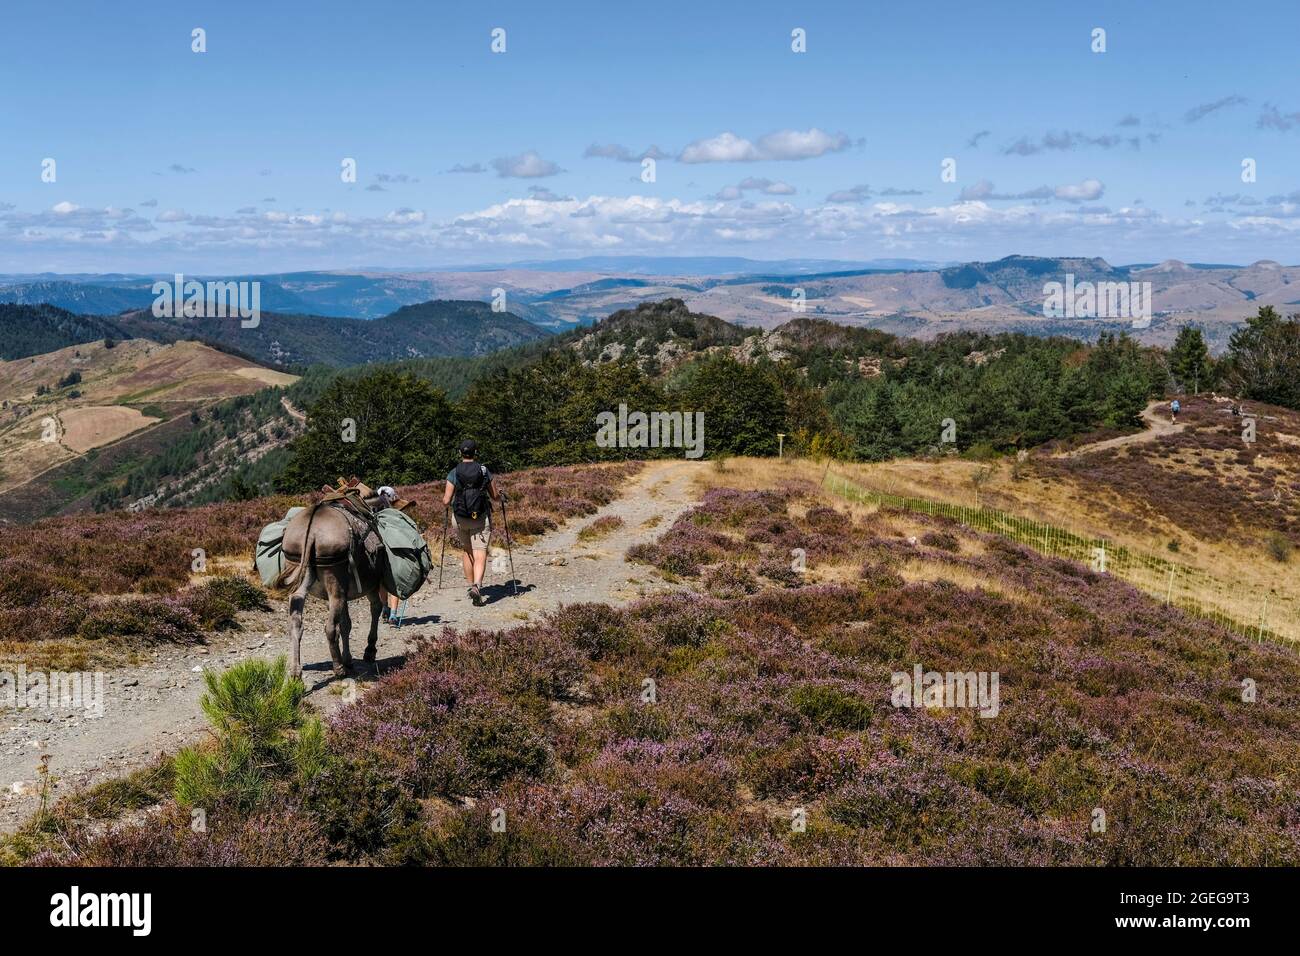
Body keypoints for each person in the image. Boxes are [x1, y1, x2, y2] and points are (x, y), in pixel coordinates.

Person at [442, 440, 503, 606]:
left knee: (467, 551)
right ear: (476, 453)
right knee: (480, 552)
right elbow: (495, 496)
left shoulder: (454, 472)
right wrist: (501, 496)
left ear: (460, 453)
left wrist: (447, 503)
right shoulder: (484, 471)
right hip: (480, 518)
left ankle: (471, 586)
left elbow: (446, 500)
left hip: (460, 518)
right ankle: (477, 586)